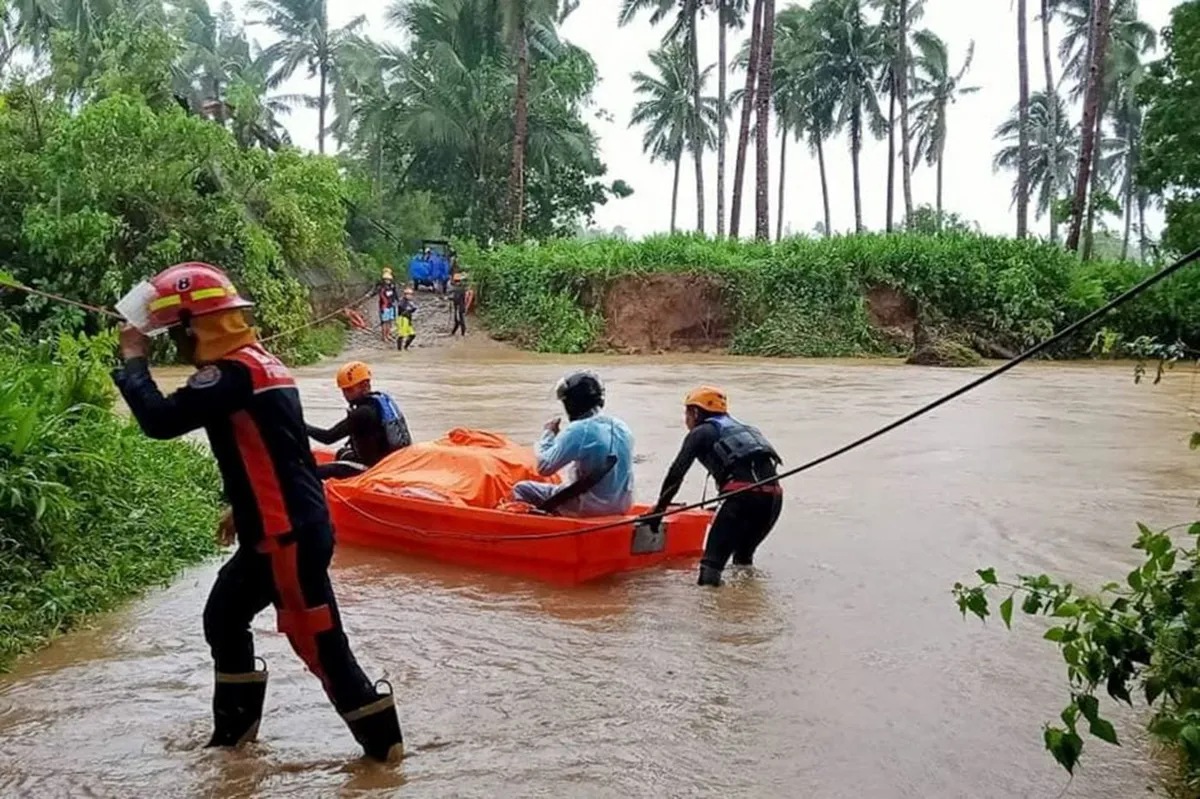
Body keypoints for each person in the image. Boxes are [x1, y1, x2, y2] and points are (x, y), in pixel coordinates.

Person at [111, 262, 403, 762]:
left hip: (282, 536)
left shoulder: (228, 375)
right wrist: (241, 506)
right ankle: (234, 743)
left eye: (176, 332)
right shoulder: (263, 363)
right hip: (286, 525)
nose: (176, 345)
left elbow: (158, 421)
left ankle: (385, 758)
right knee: (224, 618)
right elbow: (278, 453)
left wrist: (135, 360)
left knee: (320, 646)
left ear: (193, 326)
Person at [647, 386, 782, 587]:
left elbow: (676, 474)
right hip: (773, 499)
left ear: (695, 412)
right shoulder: (749, 429)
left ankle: (710, 614)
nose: (686, 419)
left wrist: (658, 512)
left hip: (741, 498)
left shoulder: (701, 432)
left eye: (686, 413)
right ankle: (746, 608)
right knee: (743, 559)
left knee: (711, 566)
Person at [511, 371, 634, 517]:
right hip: (623, 505)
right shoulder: (621, 426)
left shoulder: (580, 429)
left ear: (571, 403)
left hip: (591, 507)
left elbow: (544, 467)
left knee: (521, 489)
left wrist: (548, 434)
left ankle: (534, 531)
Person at [307, 361, 412, 478]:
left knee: (311, 473)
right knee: (342, 453)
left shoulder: (361, 413)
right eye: (344, 390)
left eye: (349, 390)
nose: (346, 395)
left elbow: (328, 437)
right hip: (388, 463)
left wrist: (299, 424)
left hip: (371, 468)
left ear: (365, 385)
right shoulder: (380, 403)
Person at [377, 268, 398, 343]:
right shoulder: (381, 288)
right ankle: (384, 336)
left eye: (388, 280)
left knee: (390, 321)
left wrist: (396, 301)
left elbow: (395, 295)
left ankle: (388, 334)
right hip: (384, 306)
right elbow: (381, 297)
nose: (387, 281)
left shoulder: (392, 286)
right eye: (386, 280)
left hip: (391, 306)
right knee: (384, 322)